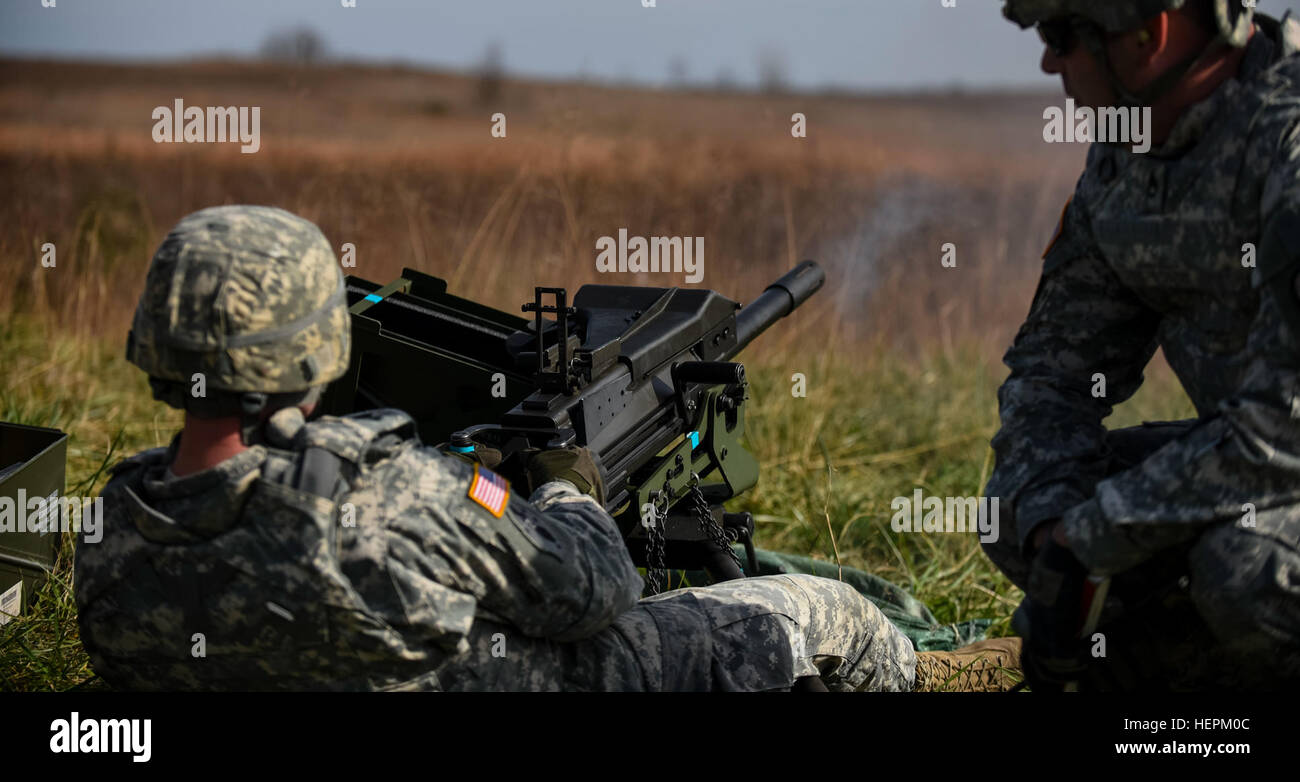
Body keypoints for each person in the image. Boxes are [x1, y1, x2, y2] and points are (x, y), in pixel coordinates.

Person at [76, 204, 1010, 691]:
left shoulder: (114, 529)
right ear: (316, 347)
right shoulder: (384, 496)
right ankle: (925, 678)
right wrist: (562, 489)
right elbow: (595, 589)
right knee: (819, 608)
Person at [986, 0, 1300, 689]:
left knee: (1247, 567)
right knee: (1016, 510)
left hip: (1281, 466)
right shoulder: (1128, 160)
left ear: (1147, 33)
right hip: (1260, 474)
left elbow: (1284, 428)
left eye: (1061, 34)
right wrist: (1053, 524)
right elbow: (1054, 373)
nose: (1049, 64)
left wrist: (1098, 537)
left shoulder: (1289, 151)